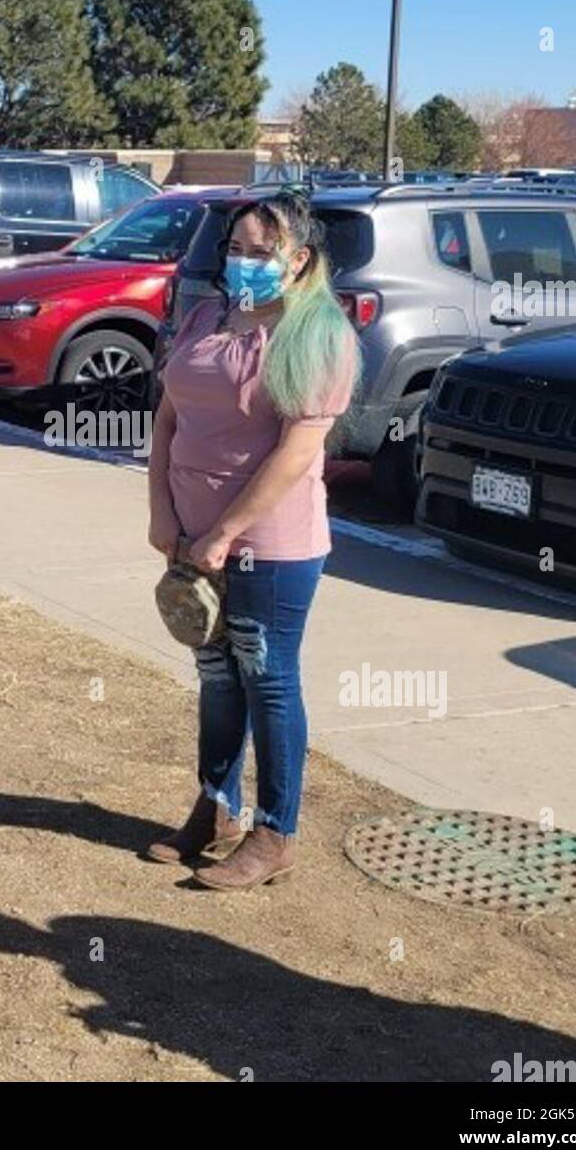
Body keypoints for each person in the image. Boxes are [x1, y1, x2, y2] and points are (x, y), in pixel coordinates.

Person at [146, 192, 358, 891]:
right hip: (189, 536)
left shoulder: (317, 336)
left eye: (259, 253)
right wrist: (163, 516)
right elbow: (169, 418)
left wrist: (224, 533)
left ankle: (276, 832)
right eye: (233, 250)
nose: (242, 263)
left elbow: (295, 454)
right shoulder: (208, 315)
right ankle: (215, 808)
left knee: (266, 679)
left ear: (297, 260)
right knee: (215, 679)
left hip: (269, 545)